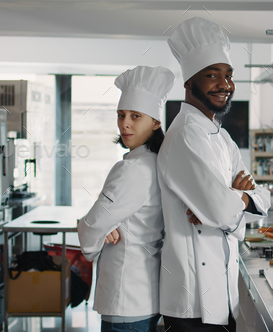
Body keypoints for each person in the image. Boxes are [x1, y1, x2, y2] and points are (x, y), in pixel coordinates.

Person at [158, 17, 271, 331]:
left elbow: (263, 197)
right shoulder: (183, 136)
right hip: (190, 301)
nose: (225, 85)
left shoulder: (223, 138)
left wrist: (232, 197)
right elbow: (222, 212)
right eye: (212, 75)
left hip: (222, 294)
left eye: (229, 75)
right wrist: (227, 205)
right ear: (188, 82)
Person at [77, 65, 175, 332]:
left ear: (155, 122)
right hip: (145, 294)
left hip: (125, 298)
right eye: (121, 115)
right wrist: (104, 226)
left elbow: (89, 232)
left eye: (135, 116)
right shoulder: (157, 163)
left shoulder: (132, 170)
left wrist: (94, 229)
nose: (125, 123)